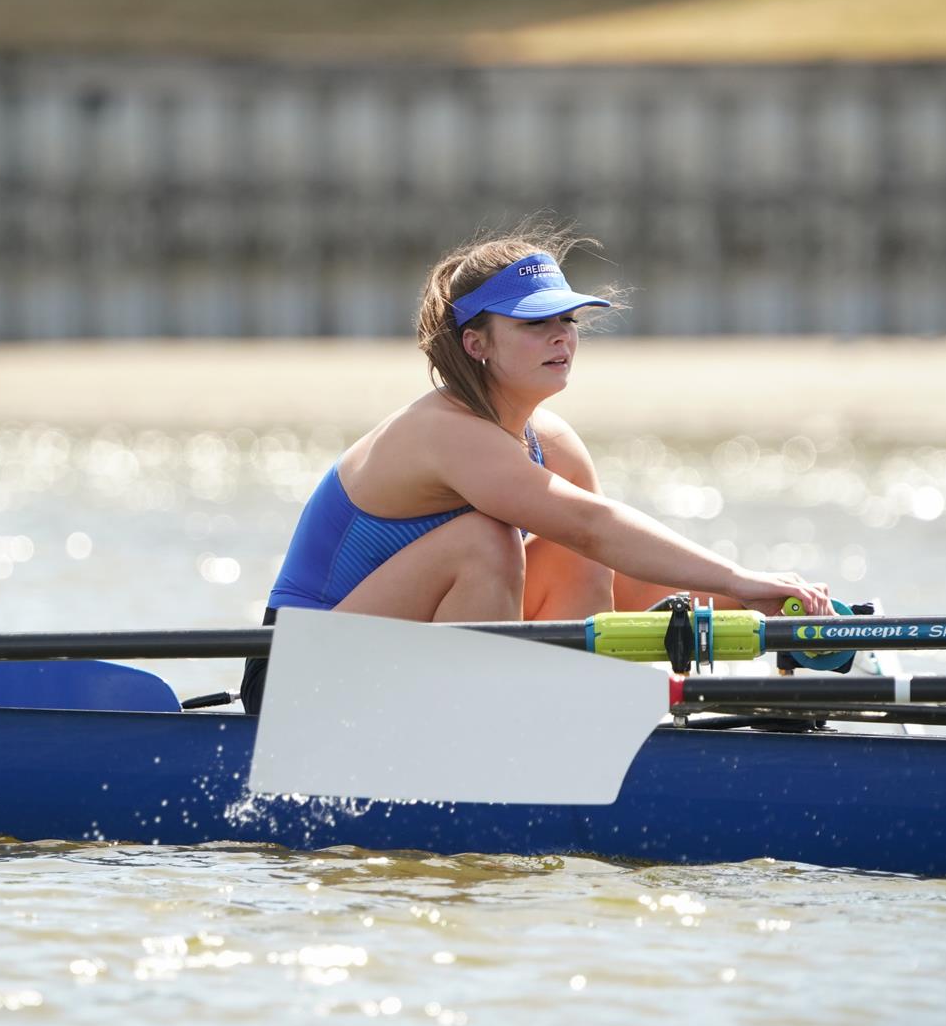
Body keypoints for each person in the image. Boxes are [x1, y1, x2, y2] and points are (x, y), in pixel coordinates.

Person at [240, 225, 832, 713]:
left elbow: (629, 585)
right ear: (477, 345)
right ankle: (498, 735)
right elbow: (593, 522)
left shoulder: (552, 443)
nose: (561, 337)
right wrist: (737, 576)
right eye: (533, 323)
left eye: (568, 320)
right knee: (485, 541)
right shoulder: (442, 431)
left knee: (578, 554)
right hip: (295, 683)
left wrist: (765, 604)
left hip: (383, 668)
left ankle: (552, 720)